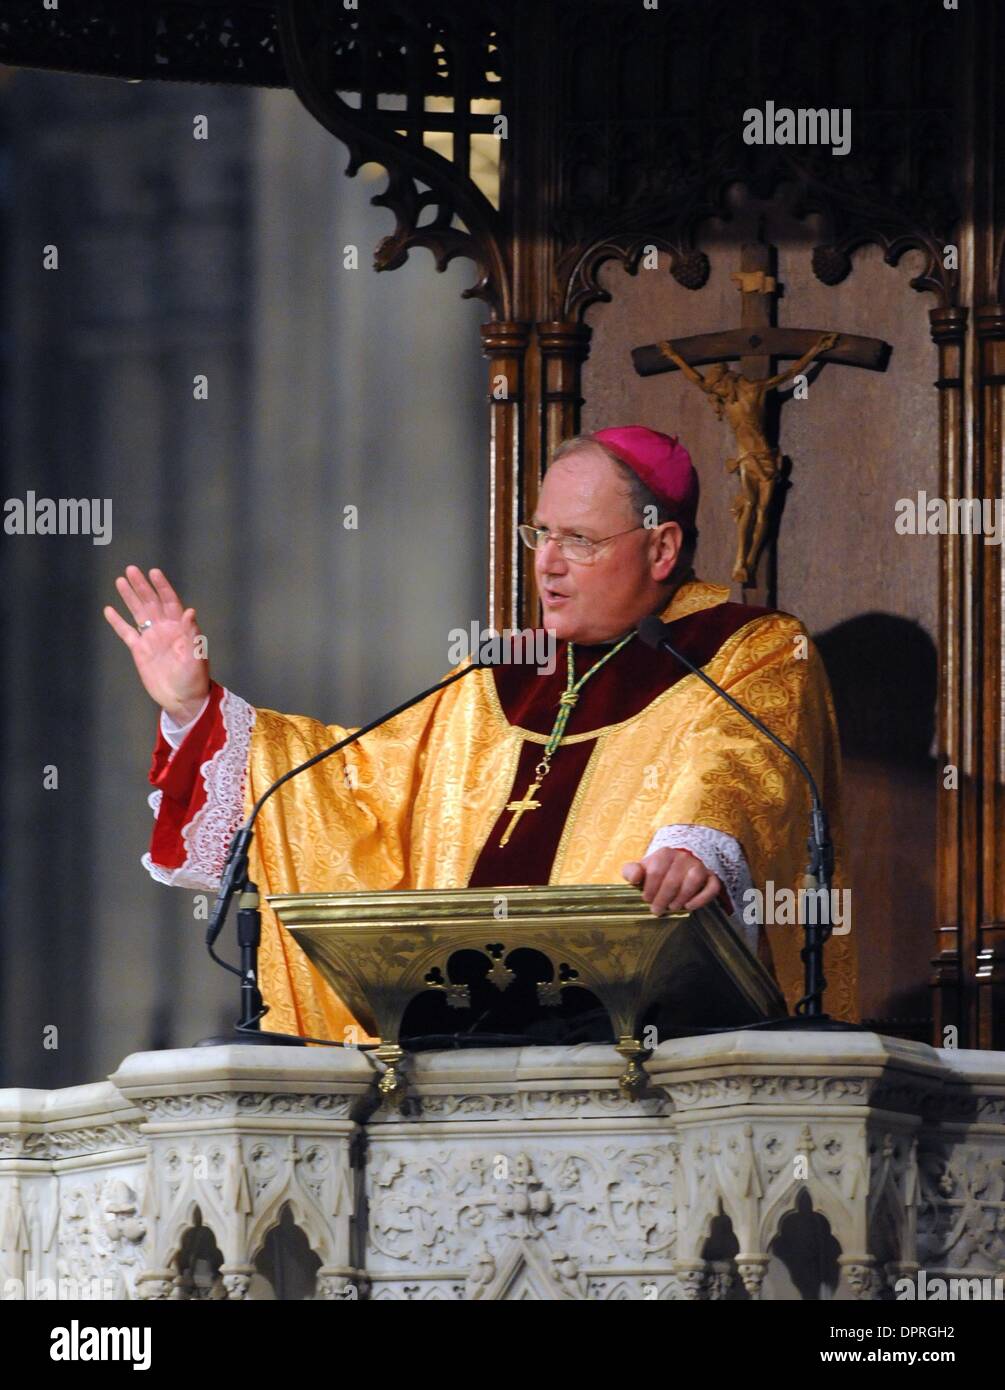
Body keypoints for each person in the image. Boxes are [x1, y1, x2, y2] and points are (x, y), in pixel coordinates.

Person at [104, 425, 855, 1040]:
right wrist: (196, 710)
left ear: (660, 549)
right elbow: (355, 788)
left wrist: (698, 844)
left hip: (646, 1047)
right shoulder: (498, 674)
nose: (548, 565)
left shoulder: (746, 647)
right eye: (540, 535)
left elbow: (740, 764)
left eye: (581, 541)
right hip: (458, 1047)